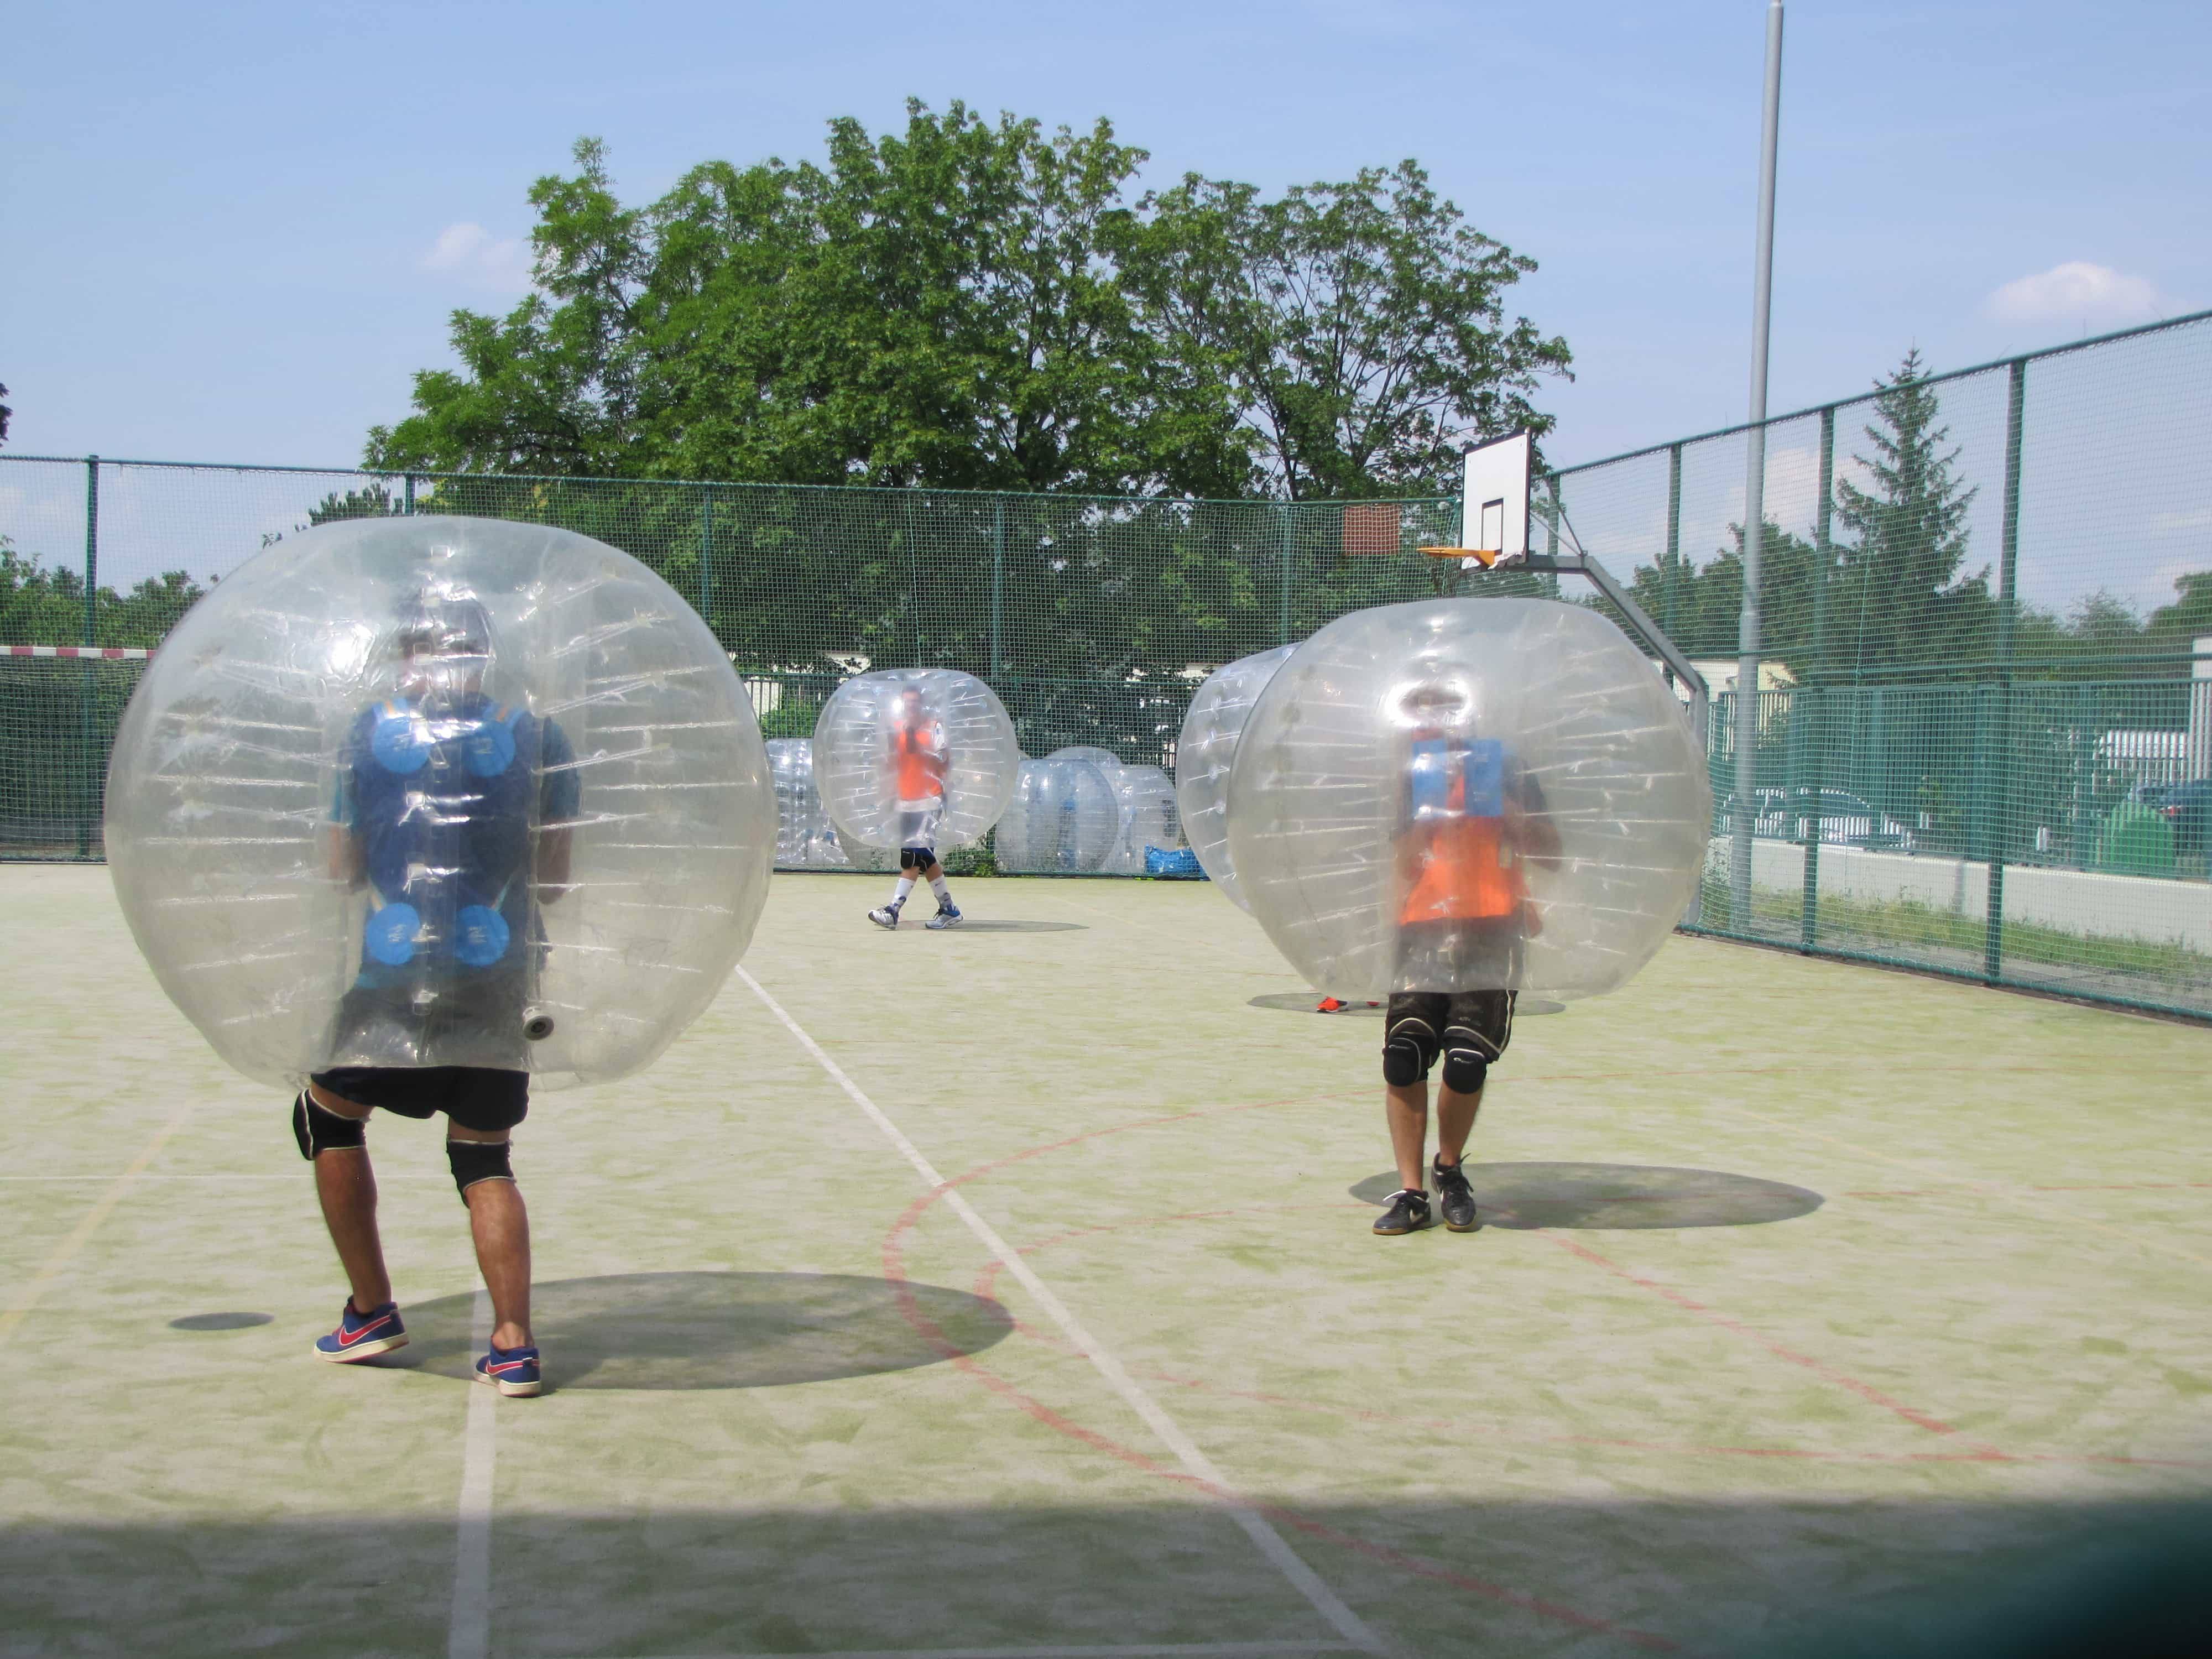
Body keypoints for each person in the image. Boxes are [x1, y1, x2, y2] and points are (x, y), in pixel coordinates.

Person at [294, 590, 579, 1395]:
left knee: (328, 1116)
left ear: (406, 656)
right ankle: (514, 1342)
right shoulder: (541, 737)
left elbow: (340, 871)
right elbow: (555, 884)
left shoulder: (365, 734)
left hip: (395, 974)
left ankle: (373, 1309)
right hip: (500, 974)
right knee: (484, 1153)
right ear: (484, 655)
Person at [1373, 682, 1561, 1237]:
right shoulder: (1411, 777)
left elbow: (1553, 853)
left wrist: (1513, 815)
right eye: (1422, 711)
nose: (1434, 720)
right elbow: (1400, 866)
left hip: (1494, 926)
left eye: (1445, 709)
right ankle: (1410, 1193)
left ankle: (1448, 1170)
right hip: (1421, 926)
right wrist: (1422, 828)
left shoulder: (1507, 768)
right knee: (1402, 1056)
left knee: (1465, 1060)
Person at [868, 685, 963, 930]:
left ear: (921, 705)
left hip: (929, 799)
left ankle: (892, 911)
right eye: (906, 703)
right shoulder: (898, 730)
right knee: (925, 859)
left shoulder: (934, 728)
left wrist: (922, 750)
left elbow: (945, 763)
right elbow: (893, 764)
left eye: (914, 703)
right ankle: (949, 909)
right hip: (906, 801)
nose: (911, 707)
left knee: (911, 856)